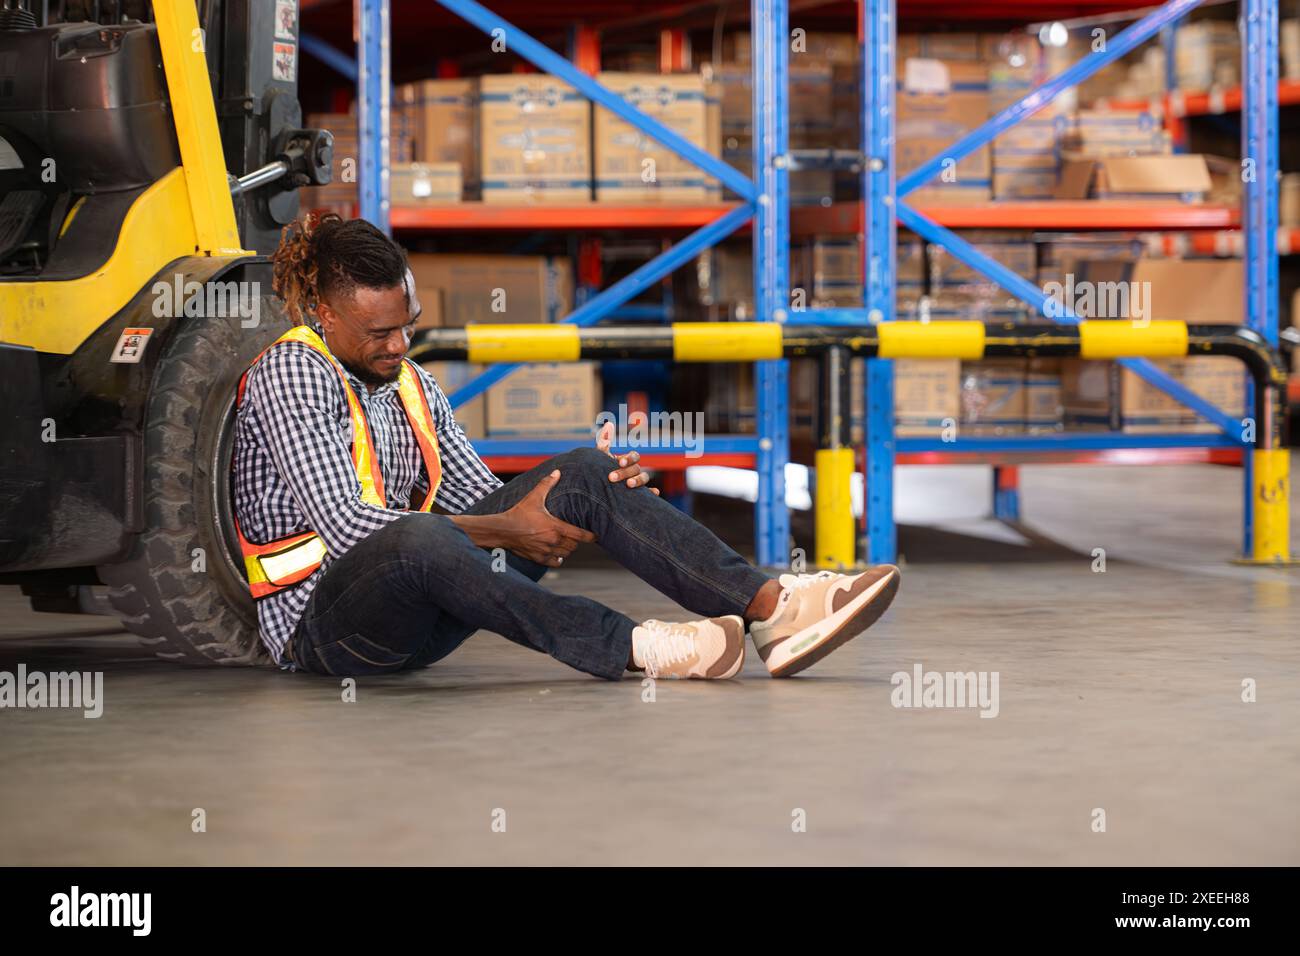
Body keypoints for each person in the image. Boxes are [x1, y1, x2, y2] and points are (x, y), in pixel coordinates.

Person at [231, 212, 900, 681]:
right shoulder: (293, 371)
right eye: (378, 333)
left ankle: (772, 609)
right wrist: (502, 529)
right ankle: (637, 647)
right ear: (322, 314)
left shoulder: (409, 381)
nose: (399, 346)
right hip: (332, 634)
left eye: (407, 325)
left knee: (581, 475)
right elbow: (350, 528)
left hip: (423, 615)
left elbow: (475, 491)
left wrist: (590, 496)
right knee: (421, 537)